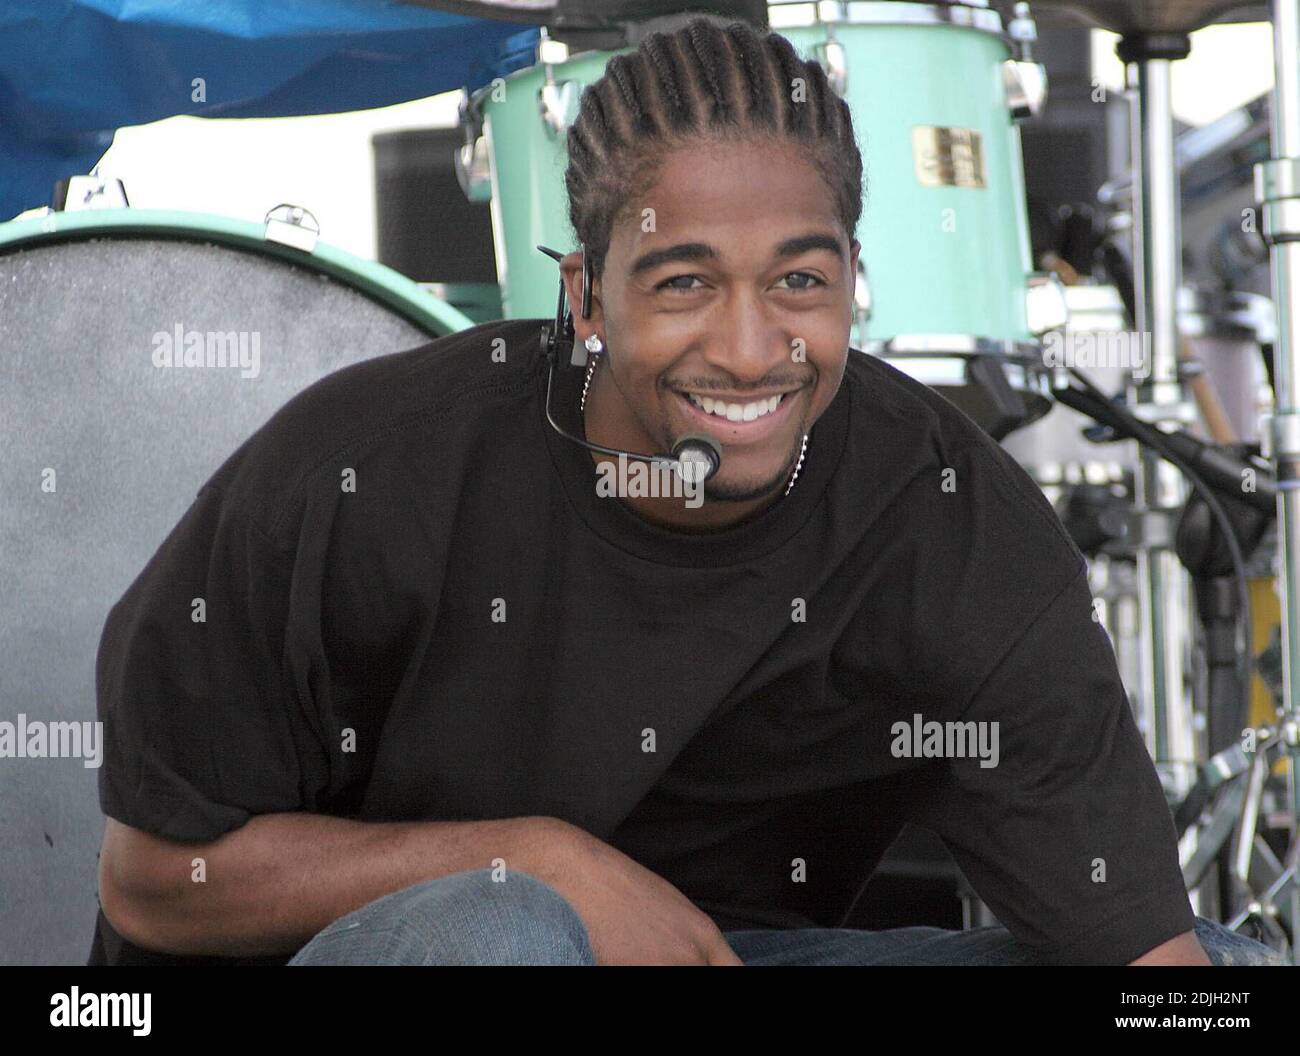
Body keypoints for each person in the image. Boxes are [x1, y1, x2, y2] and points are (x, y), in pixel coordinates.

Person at [90, 16, 1284, 967]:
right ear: (583, 300)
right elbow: (151, 882)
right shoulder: (367, 471)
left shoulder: (950, 522)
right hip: (421, 950)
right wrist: (535, 862)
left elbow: (1150, 959)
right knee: (500, 934)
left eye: (798, 281)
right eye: (681, 285)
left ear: (854, 282)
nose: (752, 347)